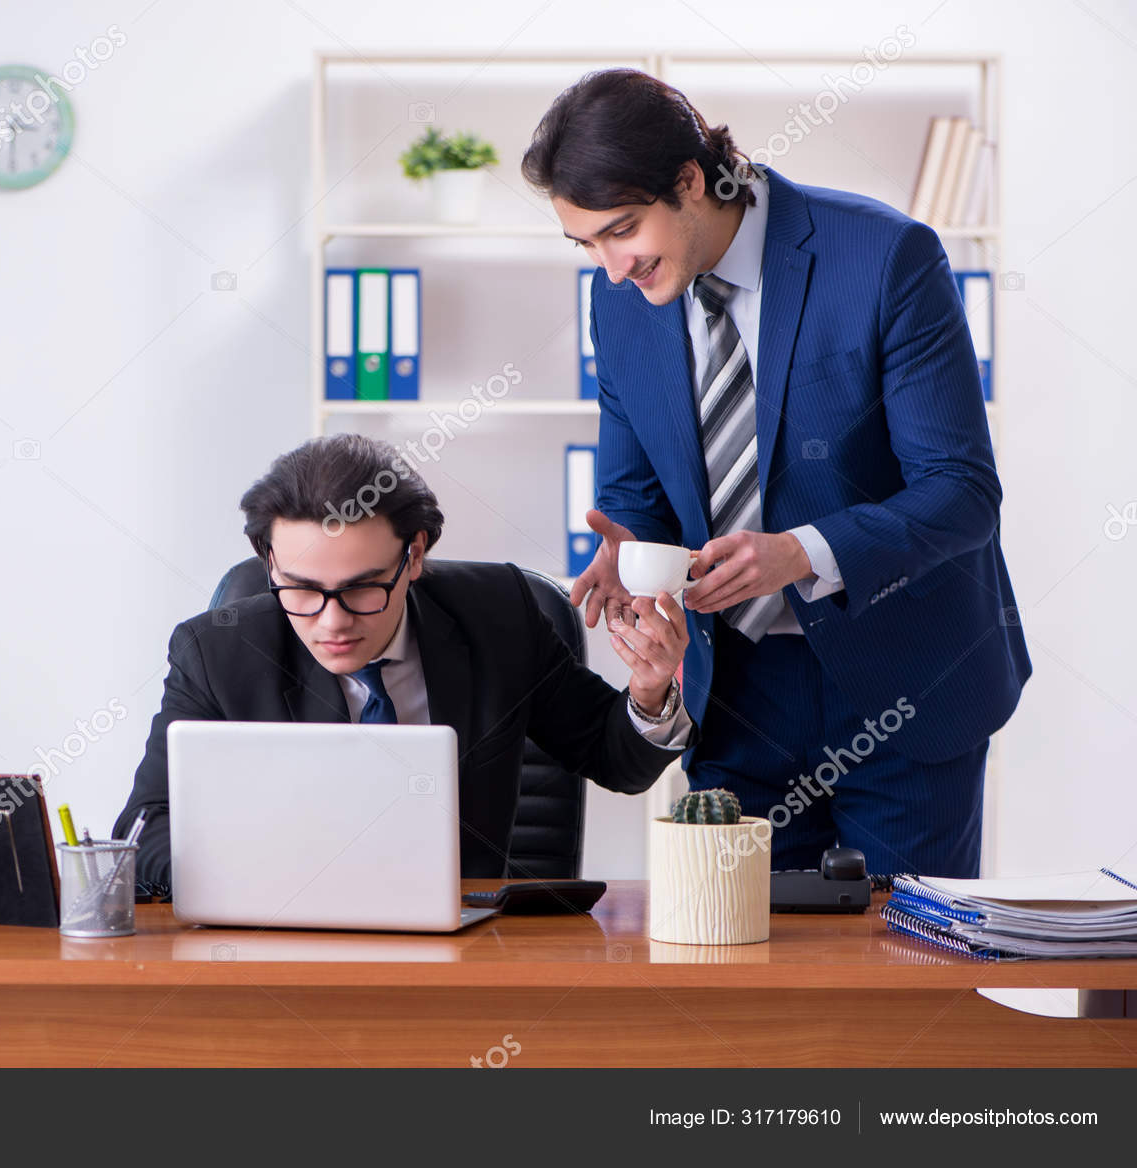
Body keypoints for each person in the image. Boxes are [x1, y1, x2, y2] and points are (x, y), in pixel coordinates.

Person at [521, 69, 1030, 877]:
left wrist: (801, 551)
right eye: (586, 243)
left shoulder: (884, 256)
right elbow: (634, 491)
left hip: (902, 679)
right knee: (739, 971)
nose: (611, 267)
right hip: (734, 693)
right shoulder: (619, 303)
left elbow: (962, 492)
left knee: (900, 980)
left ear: (689, 181)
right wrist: (630, 553)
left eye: (622, 230)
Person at [114, 434, 693, 889]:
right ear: (270, 562)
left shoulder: (500, 617)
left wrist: (648, 692)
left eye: (363, 588)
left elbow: (615, 760)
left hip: (462, 955)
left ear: (413, 555)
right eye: (301, 588)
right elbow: (146, 832)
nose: (331, 621)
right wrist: (260, 876)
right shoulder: (216, 653)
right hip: (282, 950)